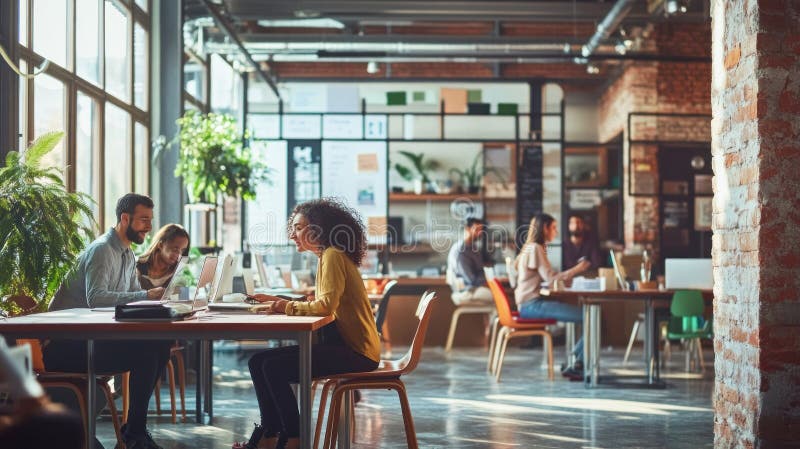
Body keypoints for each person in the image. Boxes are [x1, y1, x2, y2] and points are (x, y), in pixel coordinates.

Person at [234, 198, 380, 449]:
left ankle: (291, 439)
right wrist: (281, 300)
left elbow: (325, 307)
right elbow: (322, 300)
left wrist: (285, 307)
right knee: (258, 362)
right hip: (350, 347)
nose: (293, 235)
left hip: (357, 352)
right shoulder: (328, 256)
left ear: (318, 229)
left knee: (272, 368)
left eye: (299, 228)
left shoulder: (333, 256)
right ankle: (270, 434)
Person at [45, 193, 172, 449]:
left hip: (91, 340)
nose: (149, 227)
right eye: (143, 220)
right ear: (125, 218)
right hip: (63, 346)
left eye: (150, 220)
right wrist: (146, 295)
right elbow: (97, 298)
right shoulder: (103, 249)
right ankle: (134, 433)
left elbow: (132, 299)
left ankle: (135, 430)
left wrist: (161, 304)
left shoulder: (127, 255)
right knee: (147, 351)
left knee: (161, 343)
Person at [514, 213, 590, 379]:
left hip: (527, 305)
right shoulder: (536, 248)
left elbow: (537, 277)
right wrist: (577, 269)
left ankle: (574, 362)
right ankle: (575, 362)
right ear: (545, 228)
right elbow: (550, 278)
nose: (556, 231)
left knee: (587, 316)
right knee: (589, 317)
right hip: (532, 306)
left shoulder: (530, 247)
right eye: (554, 227)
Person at [446, 217, 494, 305]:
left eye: (481, 230)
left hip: (476, 288)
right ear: (467, 229)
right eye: (476, 229)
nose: (480, 233)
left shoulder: (474, 248)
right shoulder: (461, 251)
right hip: (467, 291)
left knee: (500, 294)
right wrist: (488, 283)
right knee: (499, 297)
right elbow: (471, 279)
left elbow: (481, 271)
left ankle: (493, 318)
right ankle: (499, 318)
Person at [136, 224, 190, 290]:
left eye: (182, 250)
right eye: (175, 249)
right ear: (160, 245)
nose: (179, 255)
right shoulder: (137, 267)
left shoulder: (176, 271)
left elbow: (182, 298)